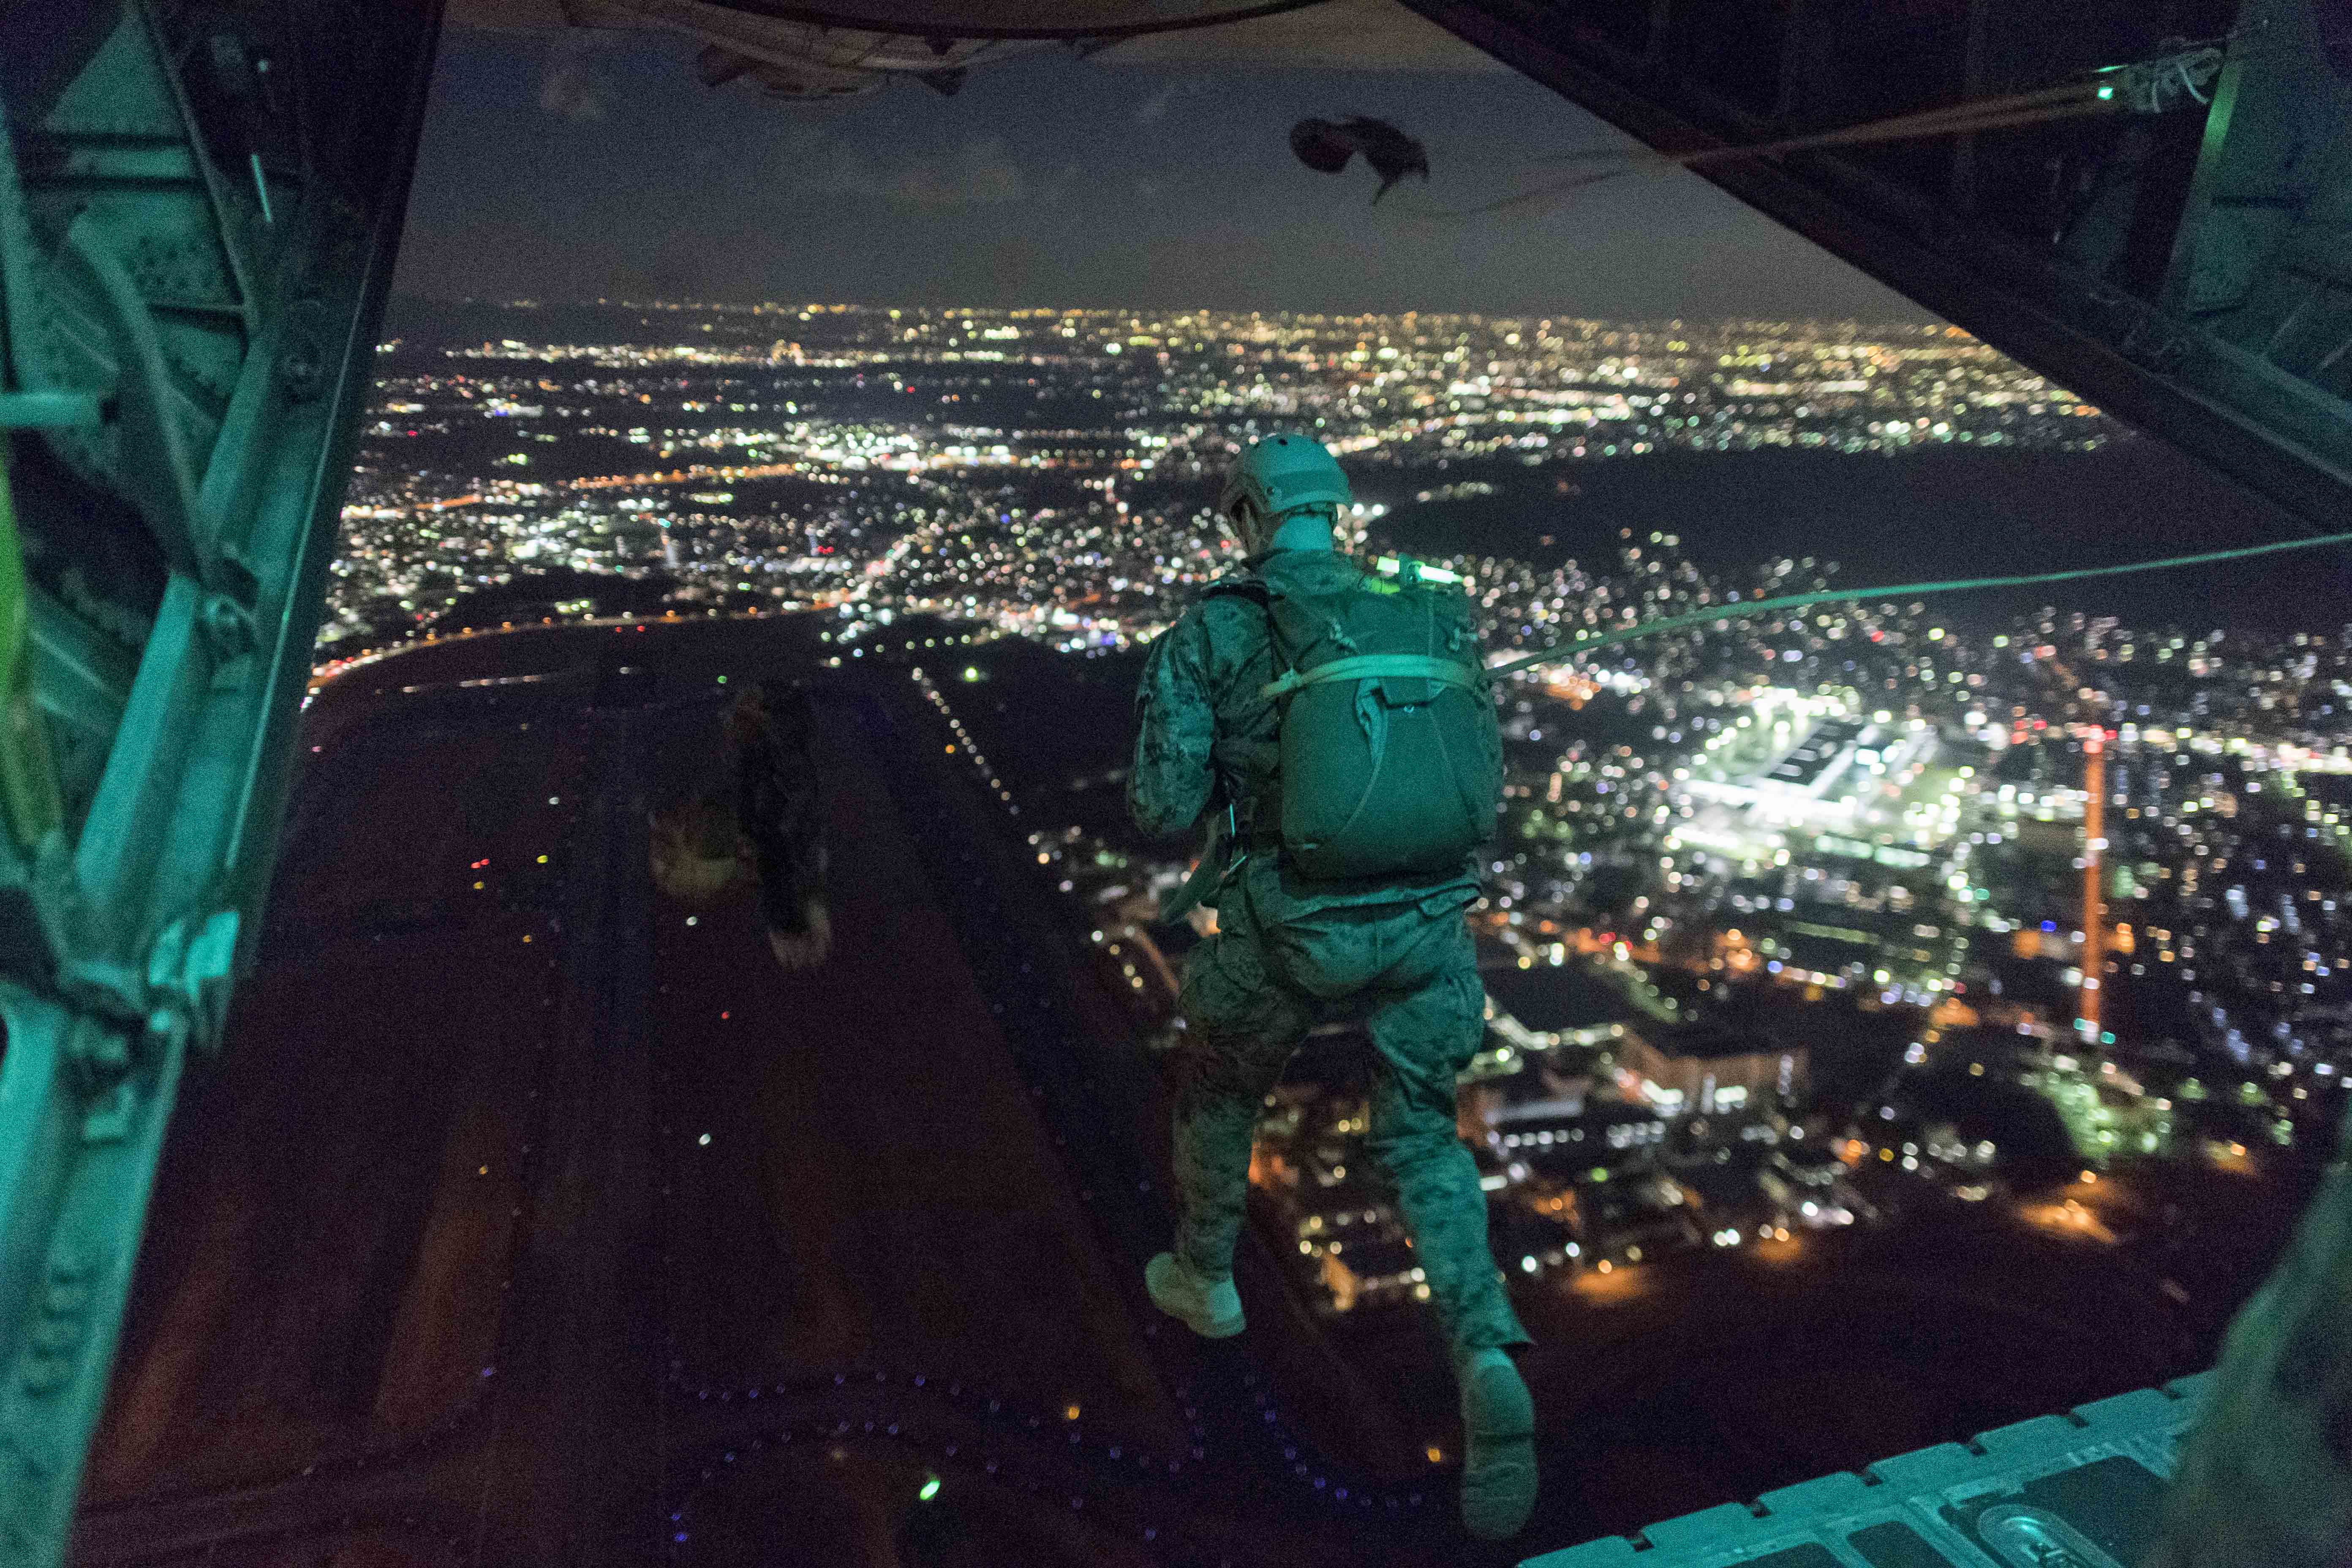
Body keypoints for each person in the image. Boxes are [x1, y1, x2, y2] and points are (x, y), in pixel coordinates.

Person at [1126, 432, 1539, 1541]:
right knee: (1421, 1138)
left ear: (1250, 515)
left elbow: (1160, 804)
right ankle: (1484, 1342)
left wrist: (1229, 756)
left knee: (1221, 1090)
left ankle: (1205, 1274)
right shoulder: (1423, 614)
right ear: (1337, 511)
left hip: (1284, 928)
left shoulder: (1213, 629)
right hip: (1423, 928)